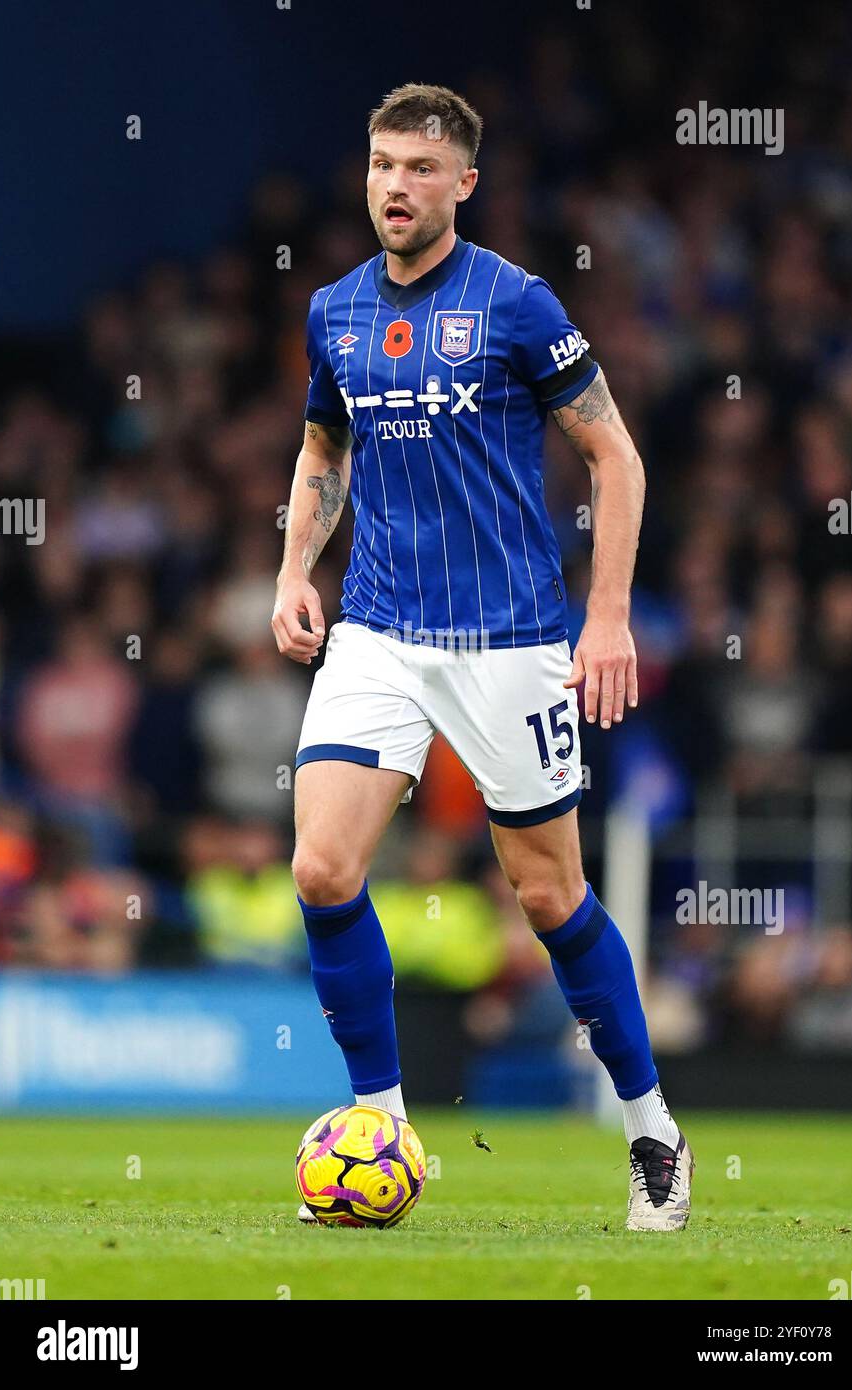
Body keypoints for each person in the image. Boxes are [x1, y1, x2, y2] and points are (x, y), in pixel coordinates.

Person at [271, 83, 692, 1231]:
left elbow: (616, 459)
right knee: (319, 869)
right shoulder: (336, 312)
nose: (393, 185)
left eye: (418, 167)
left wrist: (604, 617)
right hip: (378, 628)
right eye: (378, 163)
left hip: (508, 637)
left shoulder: (516, 301)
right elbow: (323, 444)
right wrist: (294, 565)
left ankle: (652, 1130)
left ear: (463, 183)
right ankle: (382, 1124)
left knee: (549, 894)